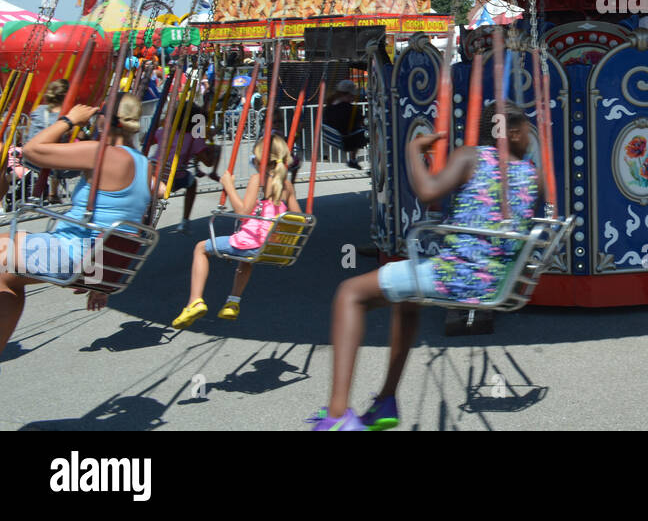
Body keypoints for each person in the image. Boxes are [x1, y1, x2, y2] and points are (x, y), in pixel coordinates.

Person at [308, 101, 538, 430]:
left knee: (349, 293)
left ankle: (336, 415)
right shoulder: (531, 173)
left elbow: (428, 192)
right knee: (407, 302)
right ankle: (386, 400)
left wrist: (413, 150)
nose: (530, 138)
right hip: (494, 279)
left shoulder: (470, 157)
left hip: (456, 276)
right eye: (528, 131)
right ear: (512, 133)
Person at [1, 97, 150, 352]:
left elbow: (32, 150)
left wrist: (69, 120)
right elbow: (126, 223)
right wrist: (101, 279)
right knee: (7, 270)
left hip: (73, 252)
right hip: (99, 258)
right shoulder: (143, 163)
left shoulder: (100, 153)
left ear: (103, 119)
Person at [171, 133, 299, 328]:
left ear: (259, 158)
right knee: (246, 259)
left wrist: (229, 186)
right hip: (272, 245)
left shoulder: (258, 179)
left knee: (200, 248)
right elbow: (299, 217)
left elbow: (243, 213)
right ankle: (233, 302)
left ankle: (194, 301)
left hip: (253, 244)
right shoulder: (287, 185)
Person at [146, 123, 221, 234]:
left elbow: (148, 140)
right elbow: (208, 162)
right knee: (192, 183)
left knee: (153, 191)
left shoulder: (164, 131)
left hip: (154, 171)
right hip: (173, 177)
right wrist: (211, 143)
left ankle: (146, 220)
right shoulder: (194, 137)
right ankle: (185, 221)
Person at [323, 79, 367, 169]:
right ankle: (377, 162)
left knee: (356, 130)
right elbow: (363, 121)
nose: (354, 98)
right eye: (353, 96)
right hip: (345, 141)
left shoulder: (329, 106)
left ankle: (352, 160)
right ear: (347, 95)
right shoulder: (350, 109)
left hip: (332, 137)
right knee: (370, 133)